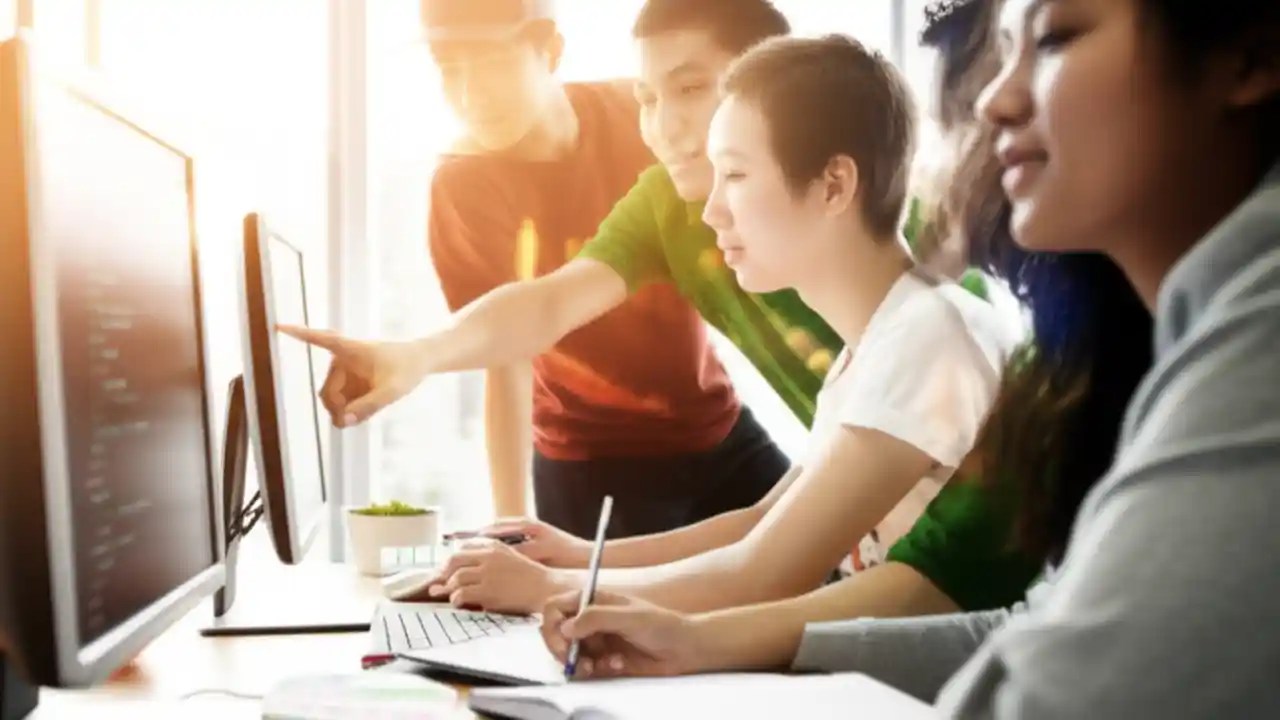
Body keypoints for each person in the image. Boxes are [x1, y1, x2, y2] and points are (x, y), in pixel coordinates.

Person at [551, 0, 1280, 715]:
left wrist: (576, 589)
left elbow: (776, 566)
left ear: (1249, 55)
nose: (994, 98)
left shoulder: (1251, 349)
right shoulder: (1154, 342)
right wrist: (690, 638)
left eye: (1056, 36)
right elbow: (1027, 633)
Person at [410, 0, 808, 541]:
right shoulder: (462, 187)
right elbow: (503, 356)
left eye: (489, 62)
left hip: (715, 421)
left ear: (549, 49)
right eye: (447, 68)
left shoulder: (643, 114)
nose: (470, 94)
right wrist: (509, 524)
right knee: (629, 616)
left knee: (815, 567)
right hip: (591, 461)